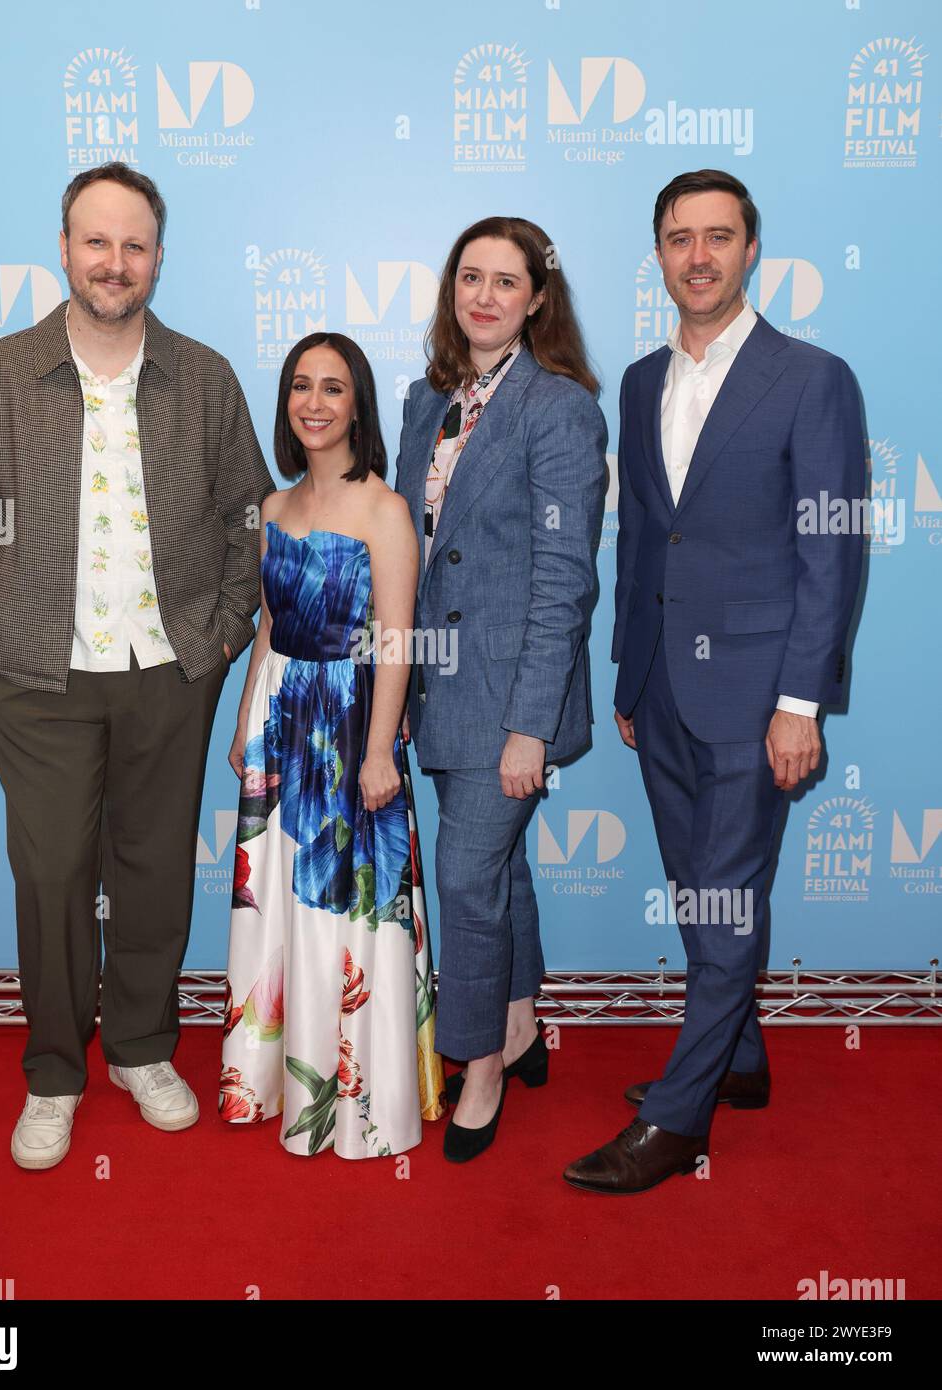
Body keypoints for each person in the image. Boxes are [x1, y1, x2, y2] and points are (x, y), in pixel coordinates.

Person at [0, 163, 274, 1170]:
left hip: (170, 668)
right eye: (95, 241)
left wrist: (219, 635)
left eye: (132, 245)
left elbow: (247, 517)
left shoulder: (202, 377)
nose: (113, 262)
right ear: (65, 249)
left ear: (157, 258)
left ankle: (140, 1047)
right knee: (49, 874)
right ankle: (52, 1071)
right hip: (36, 675)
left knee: (156, 868)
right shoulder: (0, 375)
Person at [564, 170, 864, 1195]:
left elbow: (831, 552)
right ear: (657, 254)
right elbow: (646, 537)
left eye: (718, 237)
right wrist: (627, 671)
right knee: (700, 888)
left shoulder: (810, 378)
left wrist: (798, 703)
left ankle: (676, 1121)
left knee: (725, 897)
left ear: (749, 251)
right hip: (660, 687)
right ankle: (736, 1056)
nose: (697, 255)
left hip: (754, 696)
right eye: (678, 238)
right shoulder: (641, 381)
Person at [395, 217, 606, 1162]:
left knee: (466, 882)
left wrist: (529, 729)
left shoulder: (559, 408)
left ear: (536, 299)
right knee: (501, 871)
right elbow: (409, 556)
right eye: (469, 277)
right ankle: (519, 1024)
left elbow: (566, 580)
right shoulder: (423, 402)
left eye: (505, 281)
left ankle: (476, 1063)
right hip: (438, 692)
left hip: (511, 696)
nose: (484, 296)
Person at [220, 331, 445, 1158]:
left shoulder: (384, 509)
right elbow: (270, 625)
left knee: (348, 911)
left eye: (334, 388)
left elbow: (397, 640)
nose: (314, 403)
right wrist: (247, 722)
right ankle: (271, 1076)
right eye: (301, 387)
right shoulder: (276, 510)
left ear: (359, 405)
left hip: (351, 727)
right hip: (281, 725)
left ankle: (364, 1097)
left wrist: (382, 750)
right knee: (280, 902)